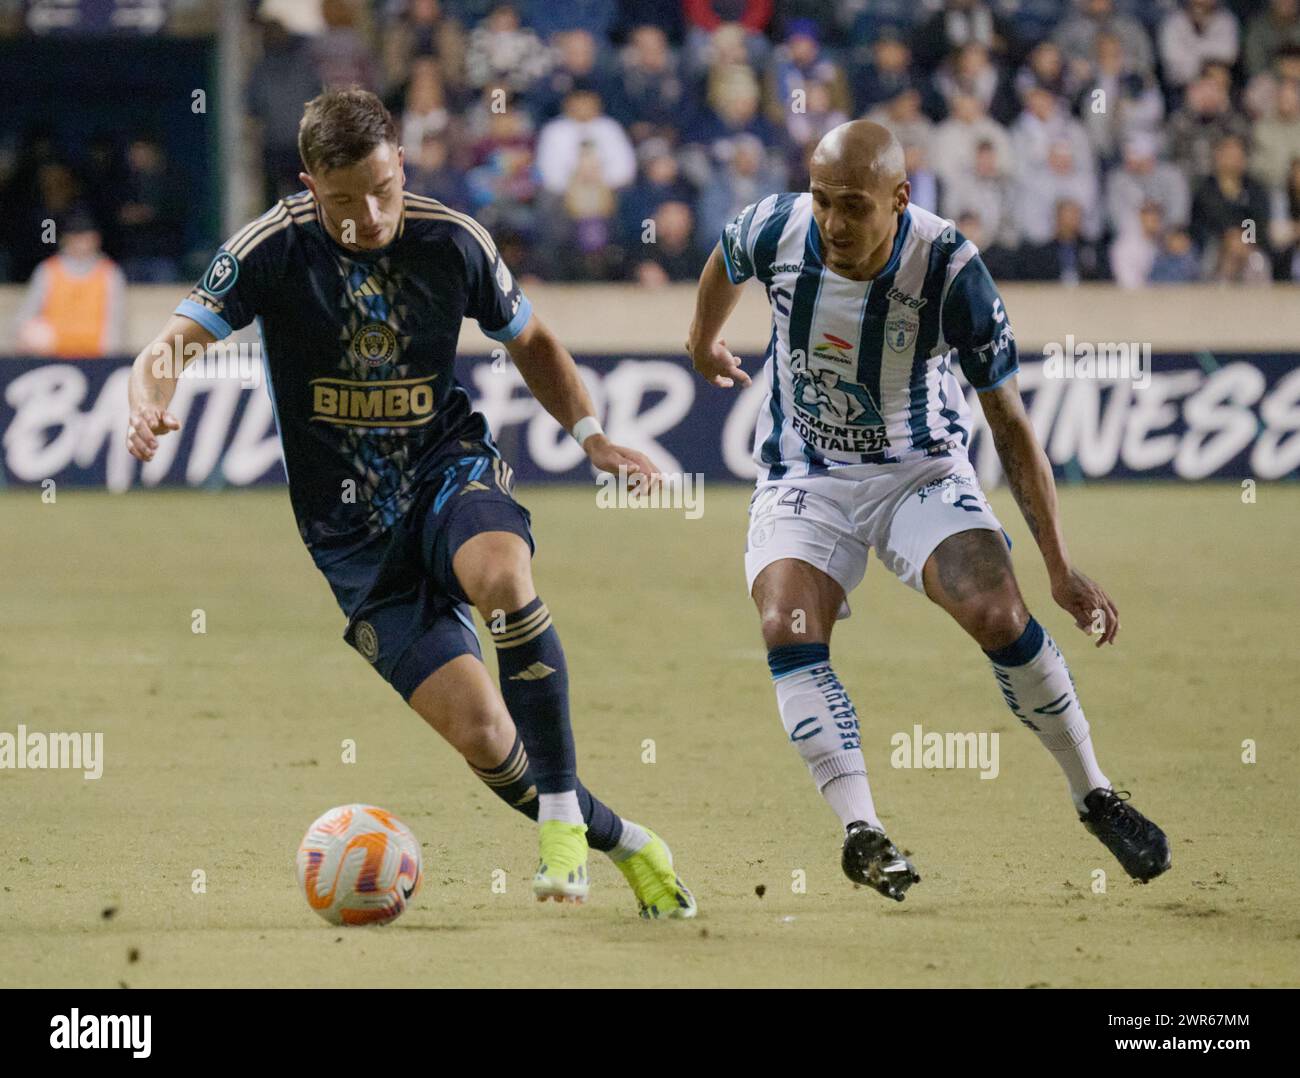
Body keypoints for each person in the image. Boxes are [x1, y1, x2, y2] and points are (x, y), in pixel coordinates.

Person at [124, 89, 696, 919]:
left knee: (500, 574)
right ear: (308, 184)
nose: (369, 215)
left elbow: (530, 339)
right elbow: (171, 342)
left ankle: (563, 821)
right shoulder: (271, 249)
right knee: (486, 740)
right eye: (344, 200)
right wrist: (149, 398)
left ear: (403, 164)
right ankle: (632, 842)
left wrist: (593, 436)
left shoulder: (453, 241)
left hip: (443, 468)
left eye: (384, 189)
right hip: (349, 536)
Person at [685, 119, 1170, 901]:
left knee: (999, 615)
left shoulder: (949, 268)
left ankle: (1094, 792)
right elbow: (724, 257)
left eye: (853, 206)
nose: (834, 225)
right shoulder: (777, 226)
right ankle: (862, 830)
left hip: (920, 472)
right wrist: (701, 340)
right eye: (822, 203)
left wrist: (1058, 566)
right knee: (787, 625)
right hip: (806, 475)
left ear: (899, 199)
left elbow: (1010, 422)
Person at [15, 210, 125, 358]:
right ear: (66, 240)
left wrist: (110, 356)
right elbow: (27, 314)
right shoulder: (48, 270)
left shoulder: (109, 272)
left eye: (86, 238)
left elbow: (114, 320)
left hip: (95, 352)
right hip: (53, 351)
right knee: (34, 333)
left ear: (96, 239)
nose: (81, 244)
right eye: (76, 238)